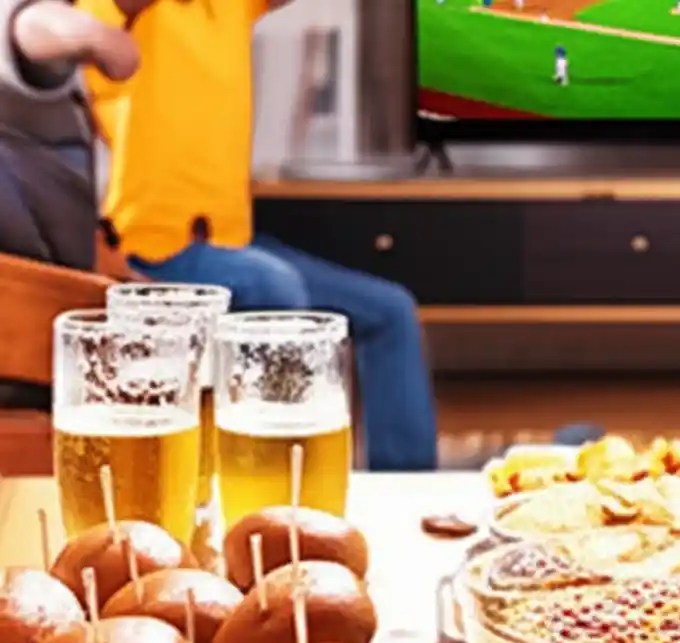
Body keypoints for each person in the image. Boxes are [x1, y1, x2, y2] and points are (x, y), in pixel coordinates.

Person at [77, 0, 441, 471]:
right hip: (153, 254)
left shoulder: (230, 7)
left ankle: (406, 490)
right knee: (276, 286)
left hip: (234, 248)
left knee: (391, 310)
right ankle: (281, 475)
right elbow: (90, 42)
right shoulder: (114, 13)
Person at [0, 0, 147, 271]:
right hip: (25, 285)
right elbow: (31, 25)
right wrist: (97, 36)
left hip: (69, 268)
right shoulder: (31, 19)